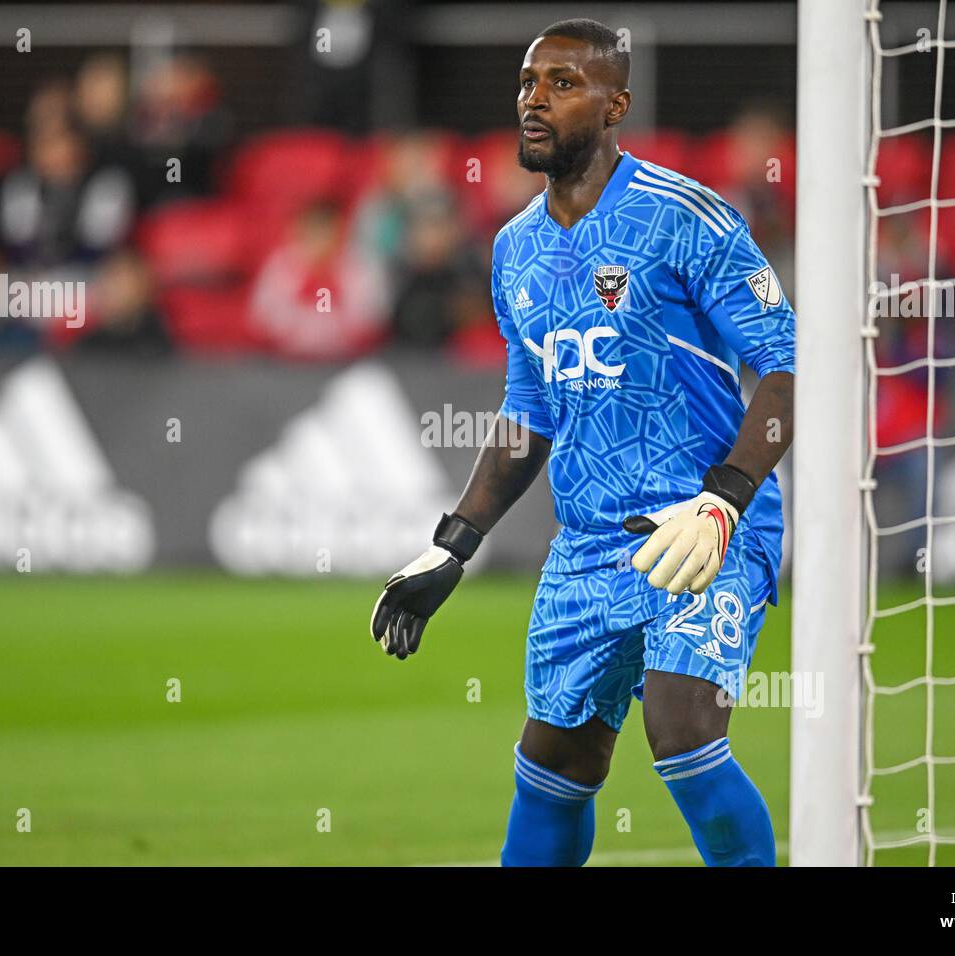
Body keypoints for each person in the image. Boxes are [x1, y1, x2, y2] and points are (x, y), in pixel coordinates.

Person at [370, 19, 796, 868]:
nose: (535, 98)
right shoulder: (513, 248)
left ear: (616, 106)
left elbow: (787, 366)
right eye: (529, 82)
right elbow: (528, 413)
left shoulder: (686, 218)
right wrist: (452, 545)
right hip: (590, 545)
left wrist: (725, 500)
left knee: (681, 732)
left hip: (704, 528)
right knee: (554, 765)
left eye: (563, 83)